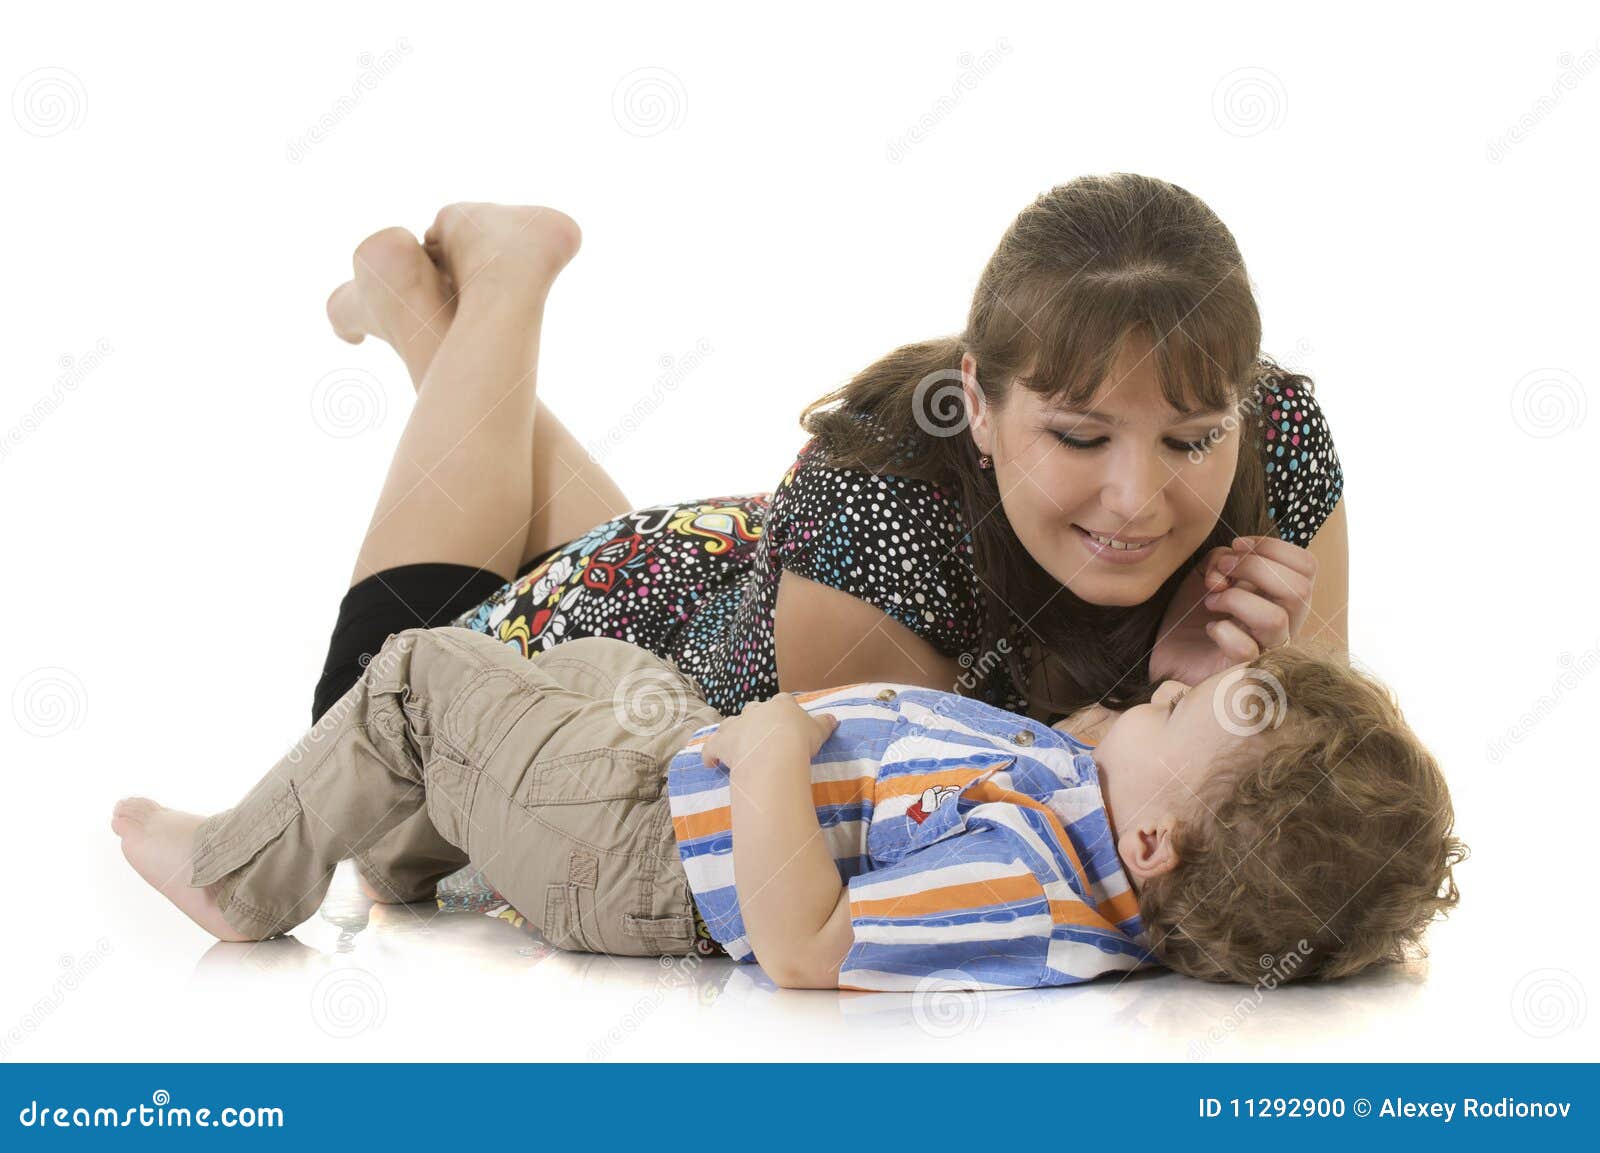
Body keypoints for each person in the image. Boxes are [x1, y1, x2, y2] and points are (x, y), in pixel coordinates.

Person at [311, 174, 1347, 749]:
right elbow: (925, 835)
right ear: (979, 406)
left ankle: (412, 305)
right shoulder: (875, 507)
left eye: (1191, 438)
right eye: (1078, 436)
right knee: (361, 729)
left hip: (740, 567)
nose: (1137, 498)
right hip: (617, 635)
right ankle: (502, 280)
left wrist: (1272, 689)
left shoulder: (1279, 436)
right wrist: (1163, 705)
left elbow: (1319, 783)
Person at [110, 623, 1463, 990]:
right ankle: (415, 857)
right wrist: (1128, 719)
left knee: (418, 674)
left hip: (638, 851)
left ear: (1159, 842)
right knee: (600, 668)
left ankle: (240, 878)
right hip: (657, 786)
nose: (1155, 703)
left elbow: (808, 947)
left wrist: (764, 760)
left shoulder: (1030, 884)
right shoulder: (1089, 838)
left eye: (1175, 721)